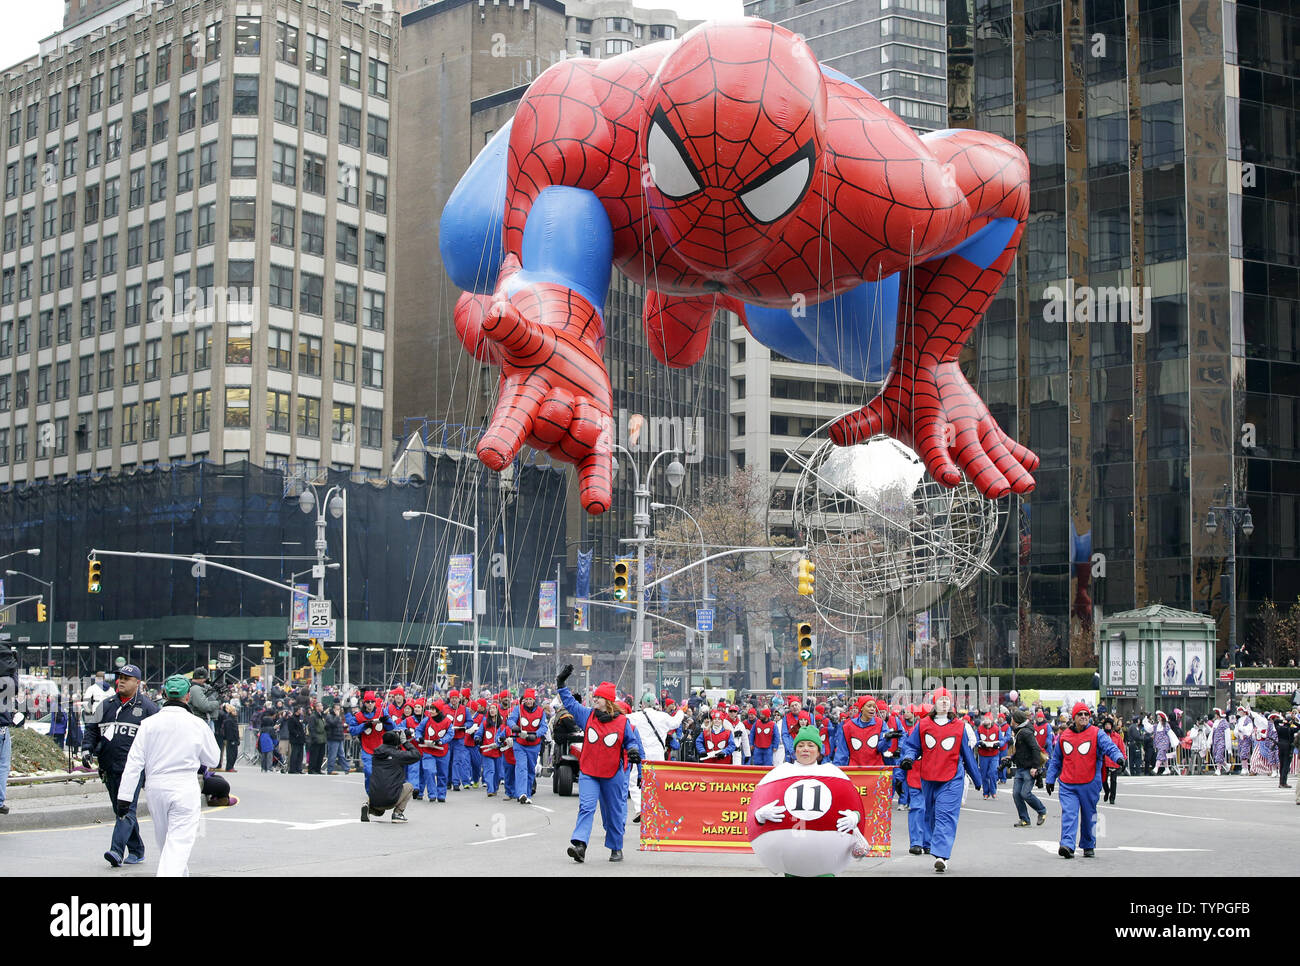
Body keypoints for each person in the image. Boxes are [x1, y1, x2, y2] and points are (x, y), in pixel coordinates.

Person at [115, 675, 221, 876]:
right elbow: (213, 759)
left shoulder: (148, 724)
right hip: (184, 787)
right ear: (188, 696)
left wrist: (125, 798)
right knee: (177, 845)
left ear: (164, 694)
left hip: (156, 787)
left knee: (167, 845)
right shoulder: (197, 724)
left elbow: (134, 762)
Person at [556, 664, 643, 863]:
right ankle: (580, 846)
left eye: (598, 697)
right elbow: (569, 703)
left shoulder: (622, 722)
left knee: (613, 812)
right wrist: (561, 683)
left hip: (612, 773)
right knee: (586, 807)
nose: (594, 699)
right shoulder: (587, 715)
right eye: (594, 696)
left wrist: (633, 751)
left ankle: (616, 847)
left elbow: (630, 740)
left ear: (608, 701)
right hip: (589, 771)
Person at [81, 665, 159, 867]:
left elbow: (158, 739)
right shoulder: (106, 705)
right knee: (120, 809)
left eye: (127, 678)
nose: (121, 681)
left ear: (138, 683)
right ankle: (137, 849)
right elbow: (91, 729)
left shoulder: (149, 709)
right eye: (120, 677)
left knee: (126, 809)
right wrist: (87, 750)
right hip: (109, 768)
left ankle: (116, 851)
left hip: (133, 770)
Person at [898, 687, 982, 873]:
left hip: (952, 777)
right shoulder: (923, 725)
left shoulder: (959, 726)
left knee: (946, 815)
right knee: (932, 816)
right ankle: (937, 845)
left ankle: (941, 856)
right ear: (934, 703)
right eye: (940, 699)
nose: (944, 702)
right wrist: (908, 758)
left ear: (951, 703)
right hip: (928, 777)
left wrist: (977, 779)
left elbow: (967, 755)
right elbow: (912, 746)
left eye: (947, 699)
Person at [1045, 702, 1125, 859]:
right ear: (1074, 717)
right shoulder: (1064, 736)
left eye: (1086, 714)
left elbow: (1110, 747)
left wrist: (1119, 758)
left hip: (1089, 782)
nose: (1083, 717)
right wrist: (1050, 779)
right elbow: (1056, 760)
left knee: (1089, 815)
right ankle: (1067, 845)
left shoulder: (1097, 733)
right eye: (1080, 714)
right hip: (1068, 784)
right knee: (1069, 813)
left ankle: (1088, 844)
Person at [625, 694, 684, 820]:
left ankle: (639, 808)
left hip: (641, 753)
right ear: (656, 704)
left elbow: (622, 719)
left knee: (635, 780)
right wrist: (680, 712)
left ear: (643, 704)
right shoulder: (663, 716)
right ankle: (654, 808)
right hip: (657, 753)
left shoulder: (635, 717)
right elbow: (675, 723)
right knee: (656, 780)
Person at [361, 731, 422, 823]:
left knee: (379, 811)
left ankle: (369, 807)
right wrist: (405, 742)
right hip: (391, 799)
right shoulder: (398, 755)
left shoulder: (376, 755)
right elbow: (416, 755)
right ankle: (397, 814)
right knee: (409, 786)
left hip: (375, 799)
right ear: (396, 742)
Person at [347, 691, 394, 794]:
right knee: (369, 771)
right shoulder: (358, 716)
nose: (370, 704)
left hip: (381, 747)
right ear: (364, 703)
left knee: (382, 773)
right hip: (367, 748)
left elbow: (392, 728)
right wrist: (364, 726)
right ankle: (370, 792)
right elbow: (352, 730)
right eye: (367, 702)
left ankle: (381, 791)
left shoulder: (382, 712)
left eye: (372, 701)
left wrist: (387, 721)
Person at [1007, 708, 1046, 827]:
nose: (1011, 721)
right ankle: (1024, 819)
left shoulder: (1025, 733)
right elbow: (1021, 751)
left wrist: (1035, 767)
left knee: (1025, 793)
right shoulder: (1020, 731)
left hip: (1029, 768)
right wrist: (1011, 758)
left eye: (1012, 719)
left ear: (1017, 721)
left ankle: (1042, 811)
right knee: (1016, 794)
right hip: (1020, 768)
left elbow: (1035, 749)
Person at [415, 700, 455, 801]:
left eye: (433, 709)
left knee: (442, 773)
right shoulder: (426, 720)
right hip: (428, 750)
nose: (430, 711)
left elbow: (450, 734)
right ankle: (432, 794)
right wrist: (419, 737)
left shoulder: (447, 722)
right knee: (429, 771)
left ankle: (441, 795)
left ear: (439, 710)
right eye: (430, 709)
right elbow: (418, 730)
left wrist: (441, 741)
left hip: (442, 751)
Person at [473, 700, 509, 796]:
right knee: (490, 770)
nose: (492, 710)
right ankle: (490, 789)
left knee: (497, 772)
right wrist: (477, 738)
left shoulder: (502, 725)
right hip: (487, 751)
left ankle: (495, 787)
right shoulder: (485, 723)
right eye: (491, 708)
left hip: (498, 752)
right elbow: (479, 733)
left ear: (497, 711)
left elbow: (505, 735)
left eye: (494, 708)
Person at [0, 640, 18, 815]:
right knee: (2, 765)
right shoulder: (9, 667)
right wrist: (15, 670)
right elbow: (15, 690)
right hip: (1, 727)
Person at [975, 713, 1002, 799]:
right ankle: (985, 792)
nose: (986, 721)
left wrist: (998, 744)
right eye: (985, 719)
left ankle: (993, 790)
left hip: (994, 754)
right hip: (983, 755)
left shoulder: (997, 729)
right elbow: (975, 740)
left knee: (993, 772)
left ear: (991, 720)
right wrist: (979, 743)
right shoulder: (979, 729)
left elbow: (1002, 740)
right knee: (984, 774)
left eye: (988, 719)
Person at [1101, 716, 1126, 804]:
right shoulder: (1101, 736)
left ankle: (1112, 797)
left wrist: (1124, 759)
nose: (1107, 726)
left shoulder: (1117, 737)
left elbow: (1121, 748)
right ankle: (1107, 791)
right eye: (1106, 725)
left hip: (1114, 761)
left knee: (1113, 780)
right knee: (1103, 779)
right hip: (1104, 761)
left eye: (1109, 725)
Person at [324, 704, 349, 774]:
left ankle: (346, 768)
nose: (338, 711)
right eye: (336, 709)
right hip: (333, 738)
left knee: (341, 754)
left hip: (339, 737)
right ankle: (330, 769)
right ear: (333, 709)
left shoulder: (338, 717)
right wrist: (337, 716)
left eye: (339, 709)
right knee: (332, 755)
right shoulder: (329, 716)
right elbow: (332, 724)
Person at [217, 704, 240, 772]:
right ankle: (229, 767)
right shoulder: (229, 720)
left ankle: (231, 766)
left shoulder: (233, 719)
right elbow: (229, 731)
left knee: (234, 754)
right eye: (234, 711)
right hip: (231, 740)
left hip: (235, 739)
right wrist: (231, 739)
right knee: (231, 754)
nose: (236, 712)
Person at [307, 701, 328, 774]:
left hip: (322, 738)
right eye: (320, 706)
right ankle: (312, 769)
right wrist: (314, 737)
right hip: (316, 738)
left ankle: (318, 769)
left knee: (320, 755)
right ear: (317, 707)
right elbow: (311, 728)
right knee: (314, 755)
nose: (322, 707)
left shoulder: (322, 715)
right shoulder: (313, 716)